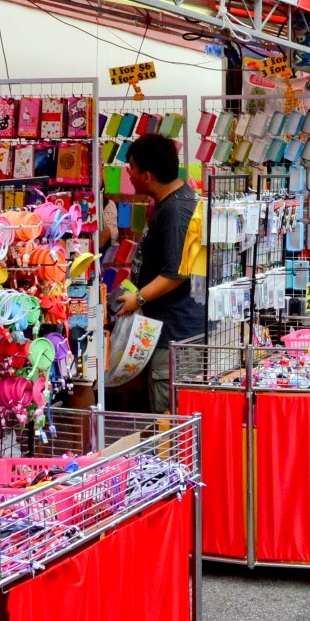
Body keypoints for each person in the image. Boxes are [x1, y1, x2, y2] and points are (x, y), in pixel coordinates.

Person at [116, 133, 206, 413]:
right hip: (171, 331)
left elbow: (176, 273)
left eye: (131, 166)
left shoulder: (176, 211)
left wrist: (138, 299)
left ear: (148, 174)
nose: (127, 173)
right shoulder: (174, 203)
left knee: (173, 421)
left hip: (177, 335)